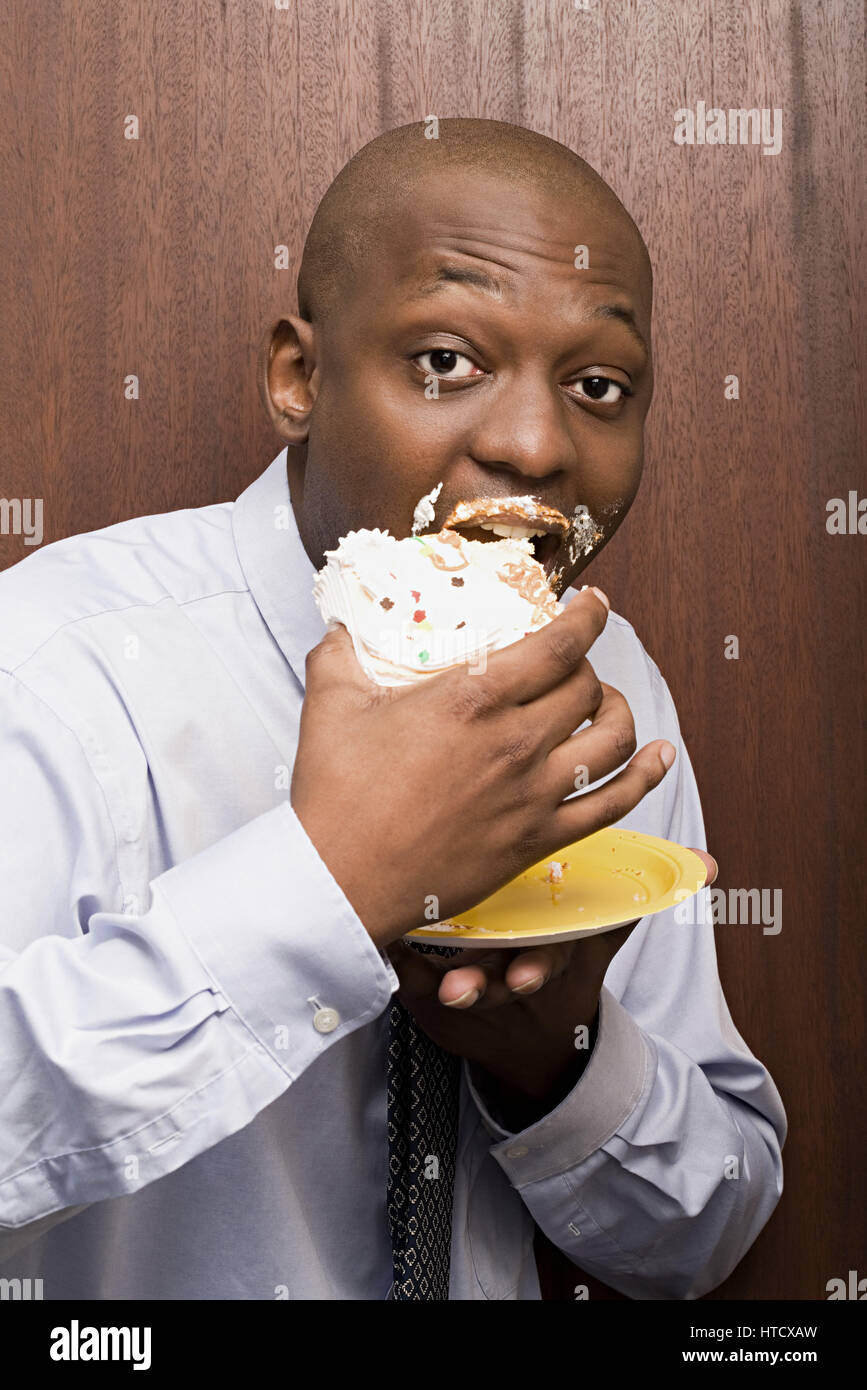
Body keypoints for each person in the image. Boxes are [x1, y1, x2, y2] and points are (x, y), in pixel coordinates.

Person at [0, 119, 785, 1300]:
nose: (533, 444)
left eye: (598, 385)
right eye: (447, 361)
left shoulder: (606, 681)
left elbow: (707, 1232)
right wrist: (327, 884)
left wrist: (555, 1066)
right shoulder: (57, 664)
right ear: (299, 378)